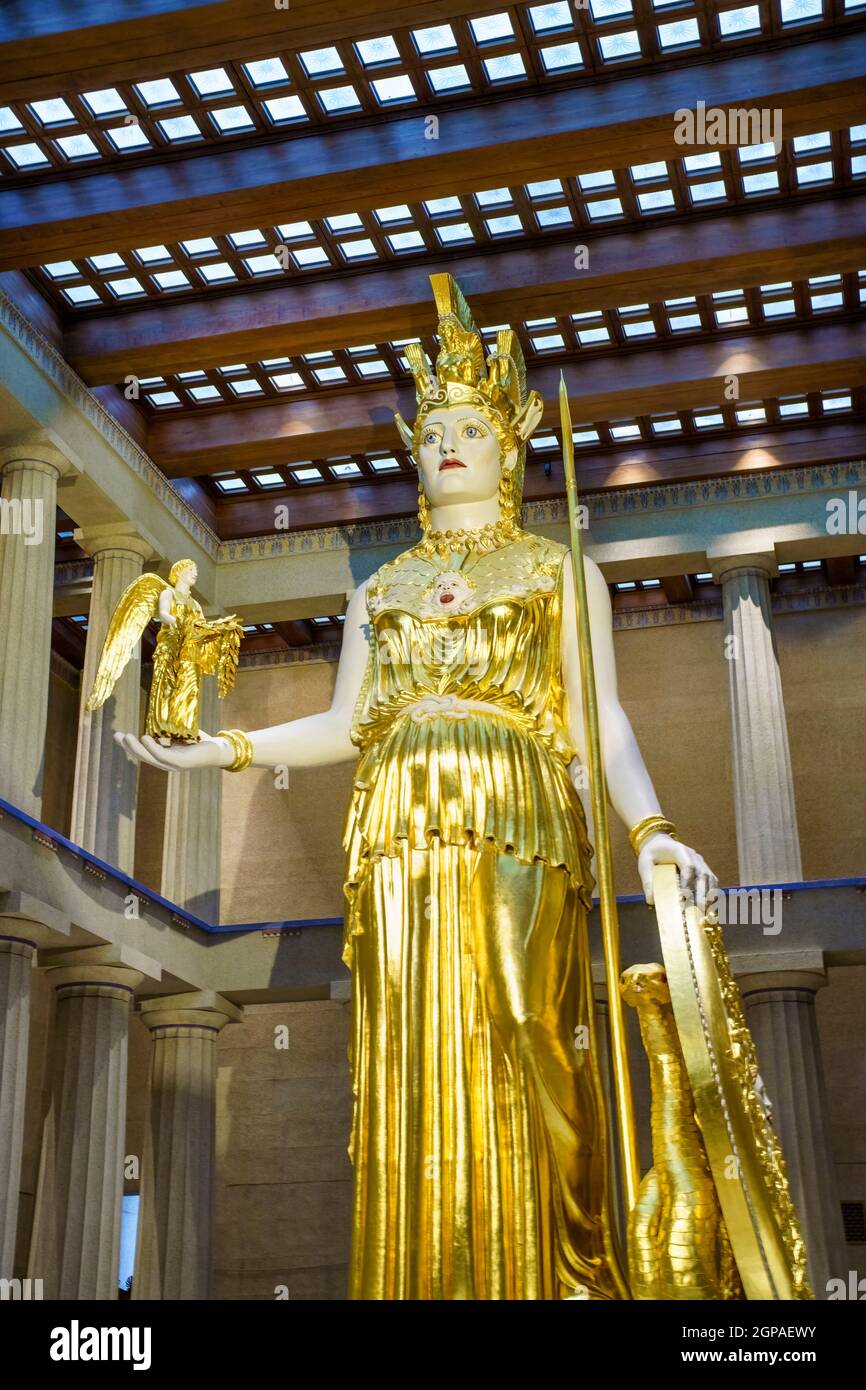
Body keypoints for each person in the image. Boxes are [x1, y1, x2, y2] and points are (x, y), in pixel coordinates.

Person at [118, 275, 717, 1300]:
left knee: (532, 1022)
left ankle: (566, 1273)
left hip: (517, 811)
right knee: (405, 1043)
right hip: (395, 829)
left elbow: (593, 712)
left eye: (468, 427)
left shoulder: (554, 568)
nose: (447, 442)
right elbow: (348, 725)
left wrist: (649, 824)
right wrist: (228, 751)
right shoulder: (377, 589)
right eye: (431, 427)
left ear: (507, 446)